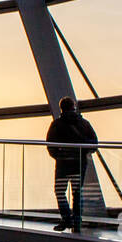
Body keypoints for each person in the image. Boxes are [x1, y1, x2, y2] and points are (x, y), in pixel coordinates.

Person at [46, 97, 97, 233]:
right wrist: (83, 152)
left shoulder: (56, 125)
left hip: (63, 164)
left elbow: (50, 145)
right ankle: (77, 221)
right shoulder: (84, 124)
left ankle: (67, 218)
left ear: (61, 108)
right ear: (74, 107)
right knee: (77, 192)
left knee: (60, 191)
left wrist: (59, 156)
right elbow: (94, 143)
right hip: (79, 163)